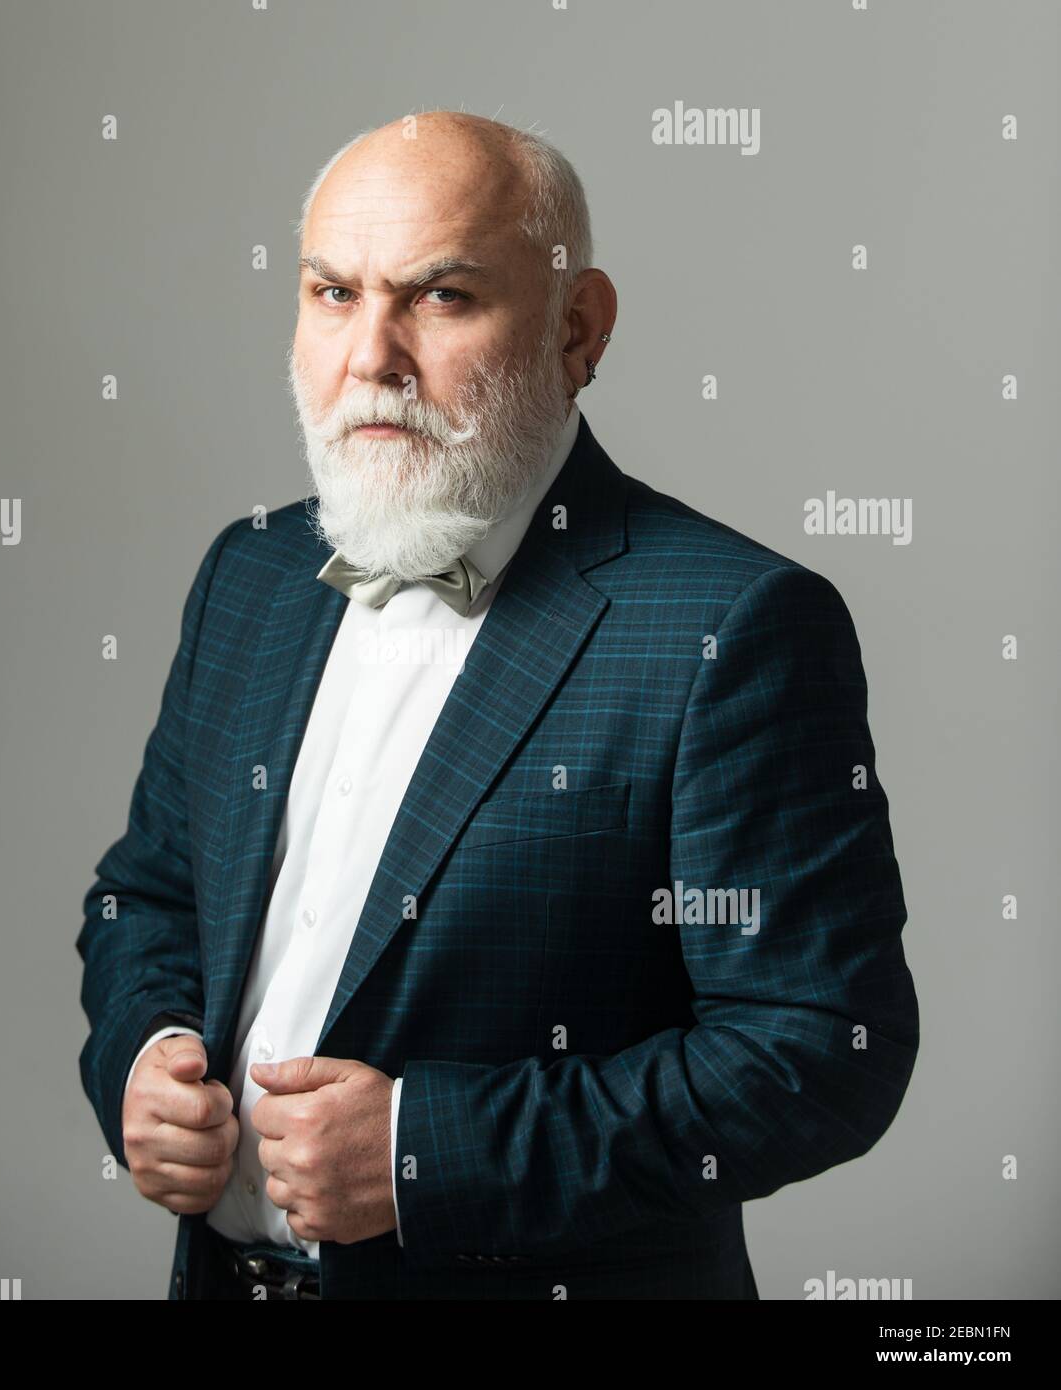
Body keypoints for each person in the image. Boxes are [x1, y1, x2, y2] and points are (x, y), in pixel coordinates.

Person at [76, 111, 919, 1300]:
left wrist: (427, 1150)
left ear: (578, 330)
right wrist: (143, 1053)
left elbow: (819, 1052)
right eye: (331, 293)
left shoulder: (730, 624)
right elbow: (147, 893)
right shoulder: (250, 576)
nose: (369, 355)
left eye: (442, 297)